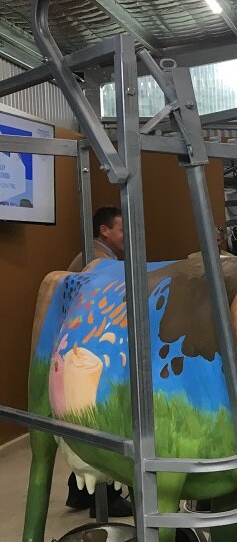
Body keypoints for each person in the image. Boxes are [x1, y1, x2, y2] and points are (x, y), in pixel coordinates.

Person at [65, 206, 132, 517]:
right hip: (91, 351)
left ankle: (80, 491)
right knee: (102, 418)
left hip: (79, 350)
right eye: (122, 229)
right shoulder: (100, 263)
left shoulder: (94, 257)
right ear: (104, 230)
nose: (127, 234)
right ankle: (107, 498)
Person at [67, 205, 124, 272]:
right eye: (123, 230)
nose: (129, 236)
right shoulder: (99, 260)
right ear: (104, 231)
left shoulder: (94, 253)